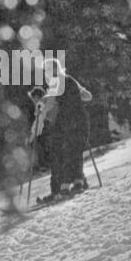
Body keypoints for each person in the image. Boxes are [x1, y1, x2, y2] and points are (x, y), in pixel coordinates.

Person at [37, 68, 93, 198]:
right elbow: (88, 96)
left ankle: (65, 186)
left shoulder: (56, 82)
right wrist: (75, 98)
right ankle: (78, 182)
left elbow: (50, 102)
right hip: (81, 118)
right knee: (76, 150)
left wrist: (42, 109)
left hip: (69, 120)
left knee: (68, 151)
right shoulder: (70, 80)